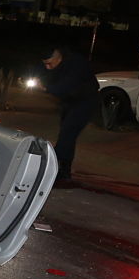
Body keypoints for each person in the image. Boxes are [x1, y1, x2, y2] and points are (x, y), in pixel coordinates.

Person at [37, 45, 99, 184]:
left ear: (58, 57)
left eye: (49, 63)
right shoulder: (56, 63)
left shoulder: (76, 64)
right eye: (44, 64)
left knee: (67, 134)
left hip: (85, 101)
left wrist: (46, 88)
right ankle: (64, 171)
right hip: (69, 102)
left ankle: (55, 166)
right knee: (67, 135)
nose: (47, 67)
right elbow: (42, 74)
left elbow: (63, 87)